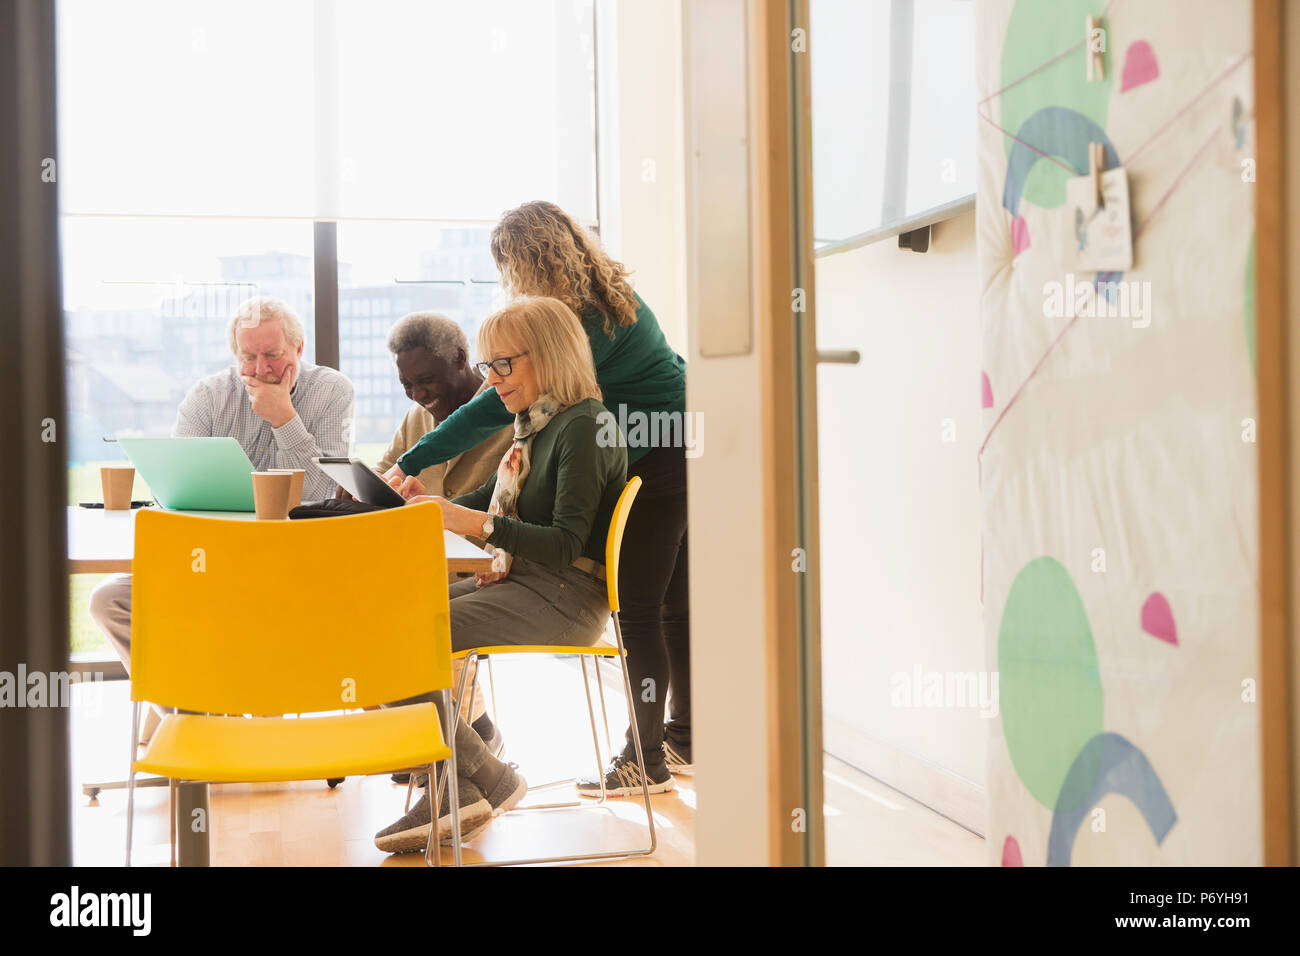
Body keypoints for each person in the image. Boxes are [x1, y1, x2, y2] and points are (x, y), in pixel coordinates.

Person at [383, 200, 690, 797]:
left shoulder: (575, 332)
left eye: (511, 269)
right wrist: (428, 489)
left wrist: (415, 467)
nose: (510, 283)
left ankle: (646, 758)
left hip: (660, 452)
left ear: (528, 262)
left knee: (643, 608)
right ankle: (676, 737)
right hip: (658, 441)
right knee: (667, 605)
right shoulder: (599, 301)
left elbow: (487, 407)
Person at [373, 295, 627, 852]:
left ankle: (480, 778)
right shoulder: (538, 422)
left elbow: (563, 545)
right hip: (528, 583)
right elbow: (493, 499)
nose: (492, 379)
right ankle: (465, 779)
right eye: (489, 366)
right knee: (382, 621)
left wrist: (459, 517)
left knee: (395, 642)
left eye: (503, 365)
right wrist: (427, 507)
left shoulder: (583, 428)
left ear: (551, 355)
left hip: (563, 598)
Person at [88, 297, 355, 736]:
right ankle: (193, 715)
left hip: (288, 569)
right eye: (248, 357)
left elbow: (317, 492)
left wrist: (284, 418)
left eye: (272, 355)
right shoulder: (209, 395)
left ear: (299, 348)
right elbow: (168, 491)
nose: (261, 368)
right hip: (204, 564)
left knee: (254, 617)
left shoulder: (331, 391)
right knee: (108, 600)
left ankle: (199, 722)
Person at [355, 311, 514, 760]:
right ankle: (437, 729)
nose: (418, 394)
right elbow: (386, 476)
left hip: (487, 551)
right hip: (428, 550)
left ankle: (457, 736)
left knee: (413, 598)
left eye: (425, 380)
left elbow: (509, 504)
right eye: (407, 385)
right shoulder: (415, 419)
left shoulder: (507, 408)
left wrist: (447, 514)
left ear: (461, 359)